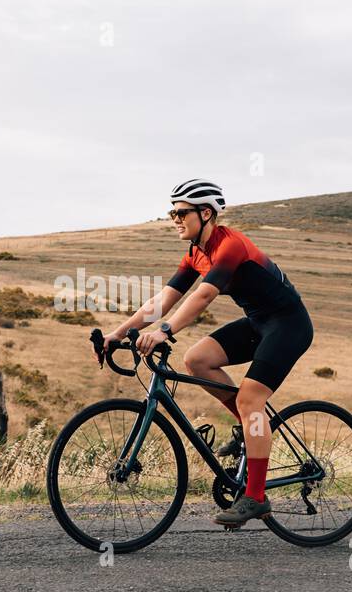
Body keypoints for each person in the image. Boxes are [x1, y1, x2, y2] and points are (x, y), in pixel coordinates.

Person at [103, 179, 314, 526]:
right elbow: (160, 303)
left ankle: (256, 498)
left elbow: (203, 297)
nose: (175, 218)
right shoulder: (195, 254)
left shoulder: (229, 245)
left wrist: (164, 332)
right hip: (259, 322)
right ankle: (248, 428)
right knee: (197, 360)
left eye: (181, 212)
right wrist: (118, 333)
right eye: (172, 212)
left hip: (289, 325)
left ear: (205, 213)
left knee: (250, 400)